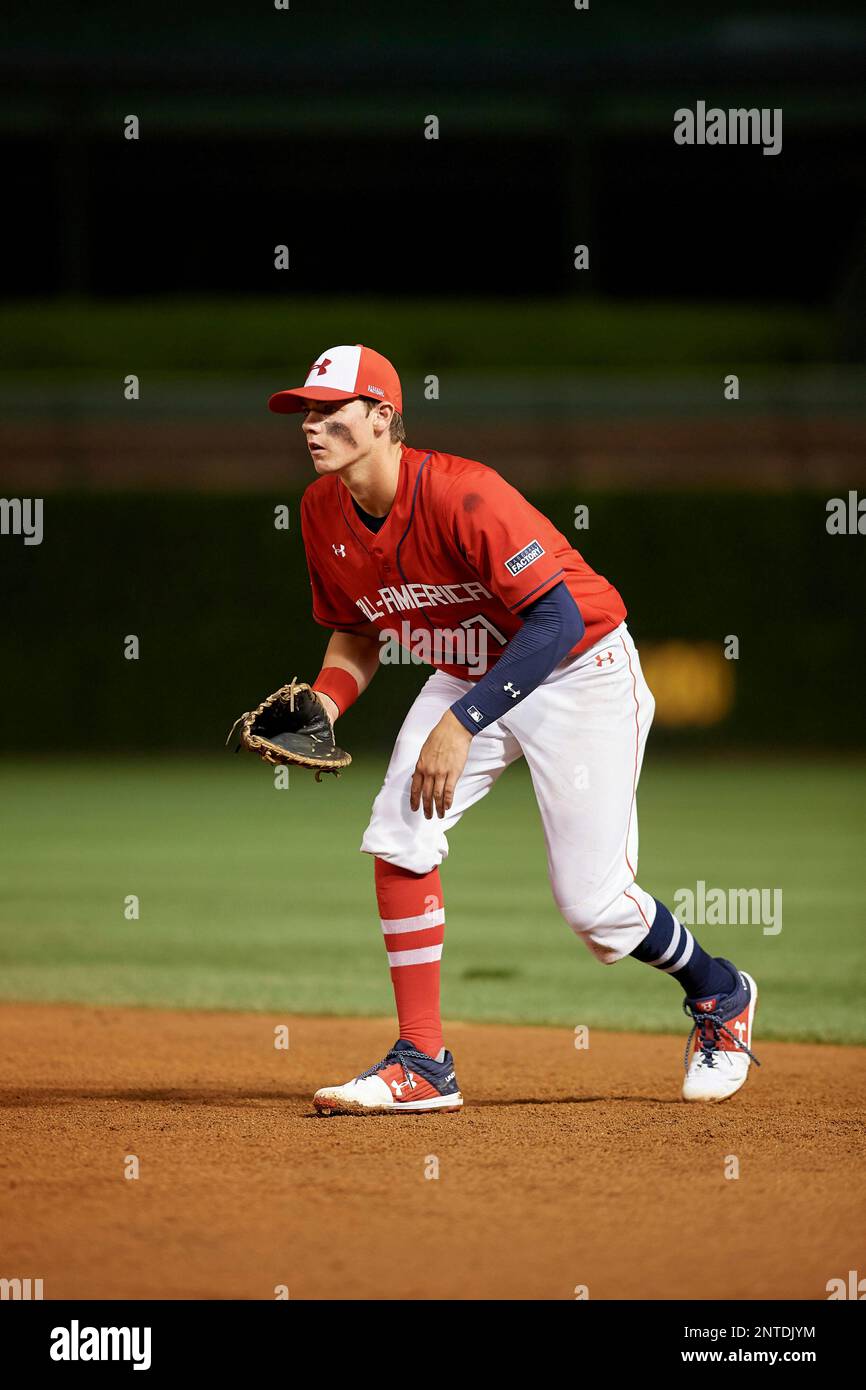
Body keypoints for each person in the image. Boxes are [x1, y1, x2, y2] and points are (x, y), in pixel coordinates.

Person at [268, 344, 759, 1115]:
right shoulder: (320, 512)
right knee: (399, 834)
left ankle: (720, 992)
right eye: (306, 410)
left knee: (594, 907)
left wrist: (464, 721)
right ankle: (423, 1063)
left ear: (383, 417)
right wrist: (326, 704)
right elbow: (357, 632)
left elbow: (555, 619)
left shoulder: (464, 495)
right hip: (473, 669)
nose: (312, 424)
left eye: (332, 410)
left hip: (578, 669)